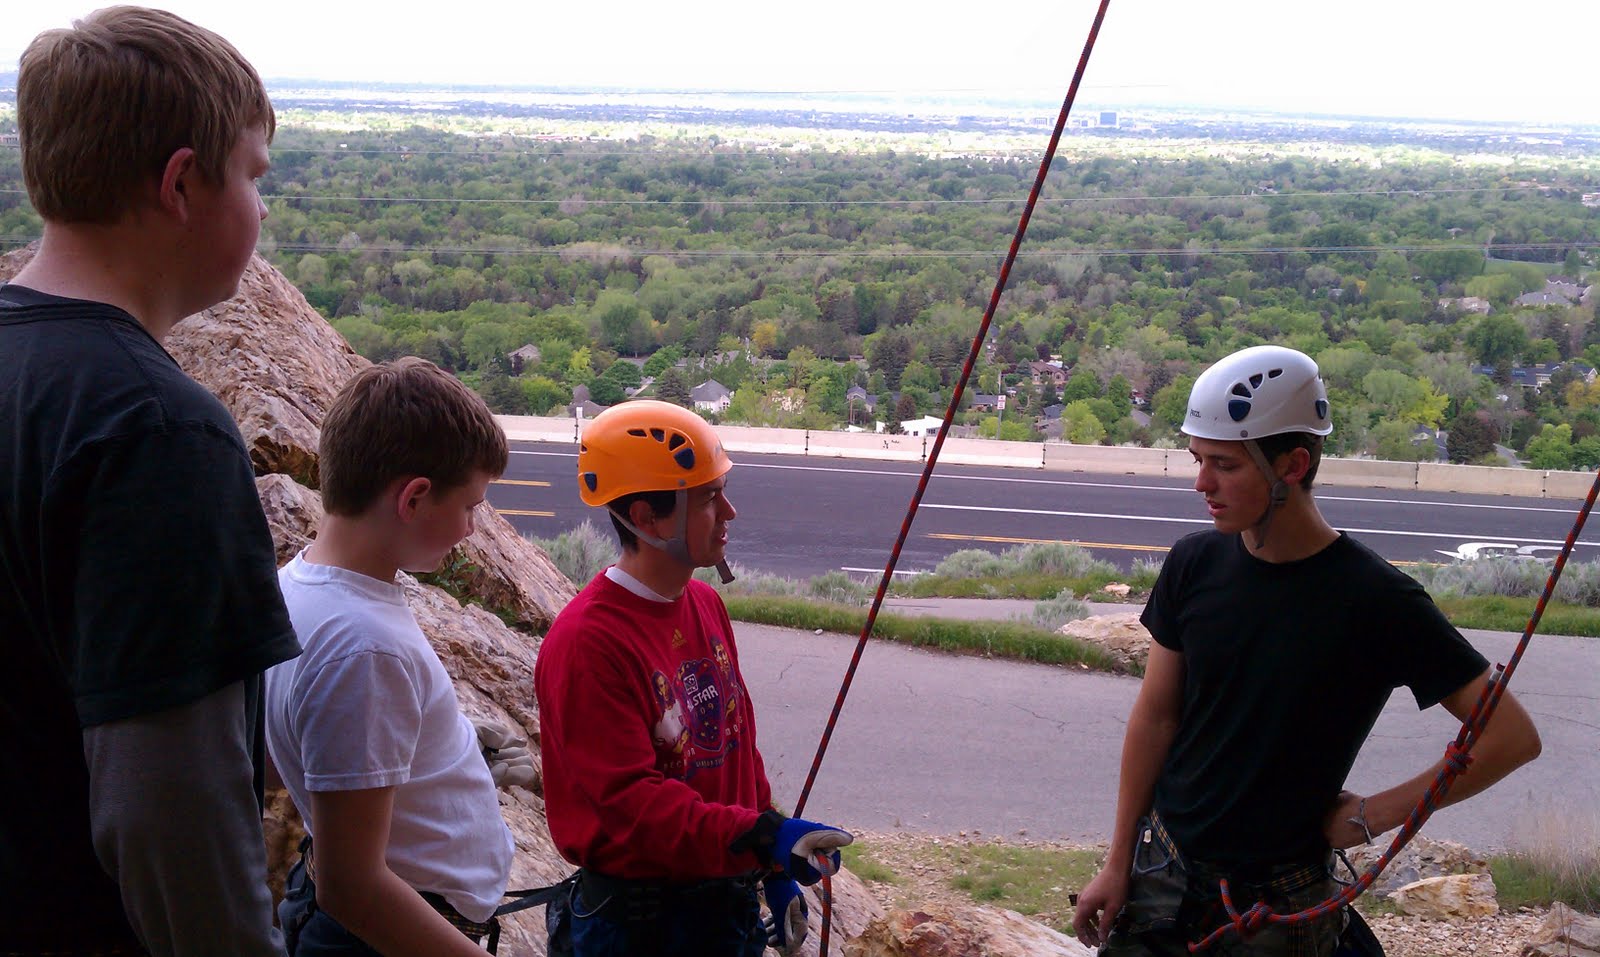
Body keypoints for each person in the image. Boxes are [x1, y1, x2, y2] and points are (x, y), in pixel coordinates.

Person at [1072, 345, 1542, 957]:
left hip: (1277, 903)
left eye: (1225, 465)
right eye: (1198, 460)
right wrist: (1117, 862)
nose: (1202, 483)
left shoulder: (1376, 599)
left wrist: (1372, 814)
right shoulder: (1195, 563)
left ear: (1293, 465)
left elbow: (1511, 736)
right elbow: (1157, 717)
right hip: (1162, 873)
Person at [0, 8, 300, 955]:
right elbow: (170, 814)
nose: (261, 208)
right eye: (254, 175)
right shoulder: (156, 432)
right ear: (180, 184)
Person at [535, 399, 854, 957]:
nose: (729, 512)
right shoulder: (588, 643)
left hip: (721, 909)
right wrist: (759, 838)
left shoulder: (704, 603)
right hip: (639, 931)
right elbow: (633, 809)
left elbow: (736, 744)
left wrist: (770, 860)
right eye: (708, 498)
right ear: (645, 517)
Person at [264, 357, 535, 955]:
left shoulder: (299, 586)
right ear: (413, 498)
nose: (471, 529)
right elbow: (354, 889)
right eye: (469, 507)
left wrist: (439, 753)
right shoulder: (363, 647)